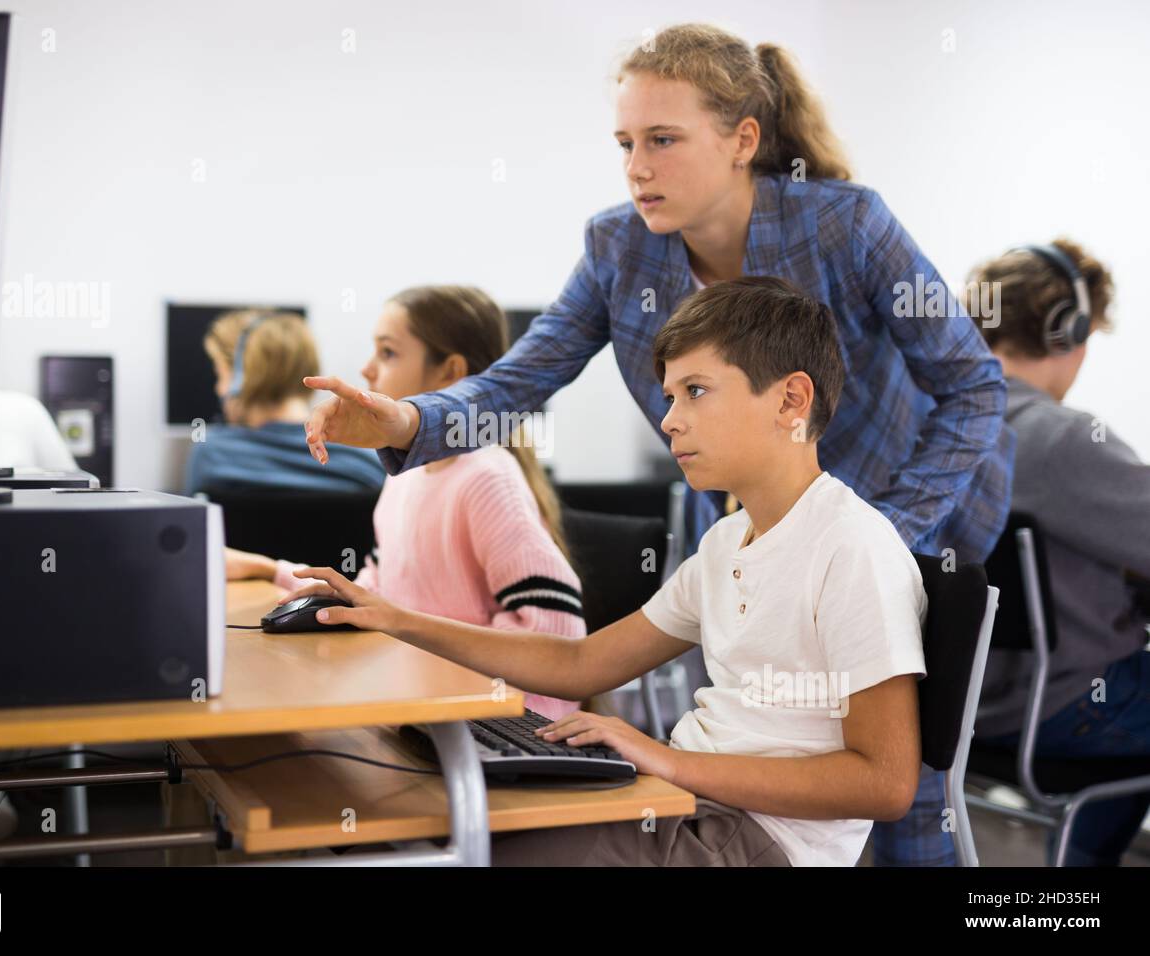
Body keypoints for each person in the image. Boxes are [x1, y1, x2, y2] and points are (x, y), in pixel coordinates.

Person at [299, 23, 1012, 866]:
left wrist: (893, 530)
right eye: (626, 143)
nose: (638, 167)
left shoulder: (845, 228)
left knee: (900, 789)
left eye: (664, 140)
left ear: (745, 140)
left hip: (911, 506)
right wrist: (408, 422)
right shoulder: (618, 247)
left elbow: (974, 387)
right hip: (759, 516)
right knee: (766, 726)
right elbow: (518, 383)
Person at [284, 278, 928, 866]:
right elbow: (581, 665)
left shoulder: (851, 547)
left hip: (759, 838)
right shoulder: (729, 540)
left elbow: (884, 784)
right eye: (670, 396)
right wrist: (396, 621)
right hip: (691, 801)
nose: (671, 419)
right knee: (450, 818)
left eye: (696, 391)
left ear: (792, 399)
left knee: (490, 848)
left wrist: (666, 760)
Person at [229, 286, 586, 719]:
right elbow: (378, 598)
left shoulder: (487, 479)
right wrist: (269, 569)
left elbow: (559, 639)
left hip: (492, 722)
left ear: (450, 373)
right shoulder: (405, 475)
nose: (367, 369)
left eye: (388, 353)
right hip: (421, 700)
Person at [968, 240, 1150, 866]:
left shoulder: (936, 429)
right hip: (1059, 709)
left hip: (957, 708)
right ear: (1067, 331)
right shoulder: (1060, 438)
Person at [184, 309, 384, 496]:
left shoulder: (213, 457)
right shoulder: (367, 459)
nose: (219, 389)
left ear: (241, 378)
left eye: (221, 375)